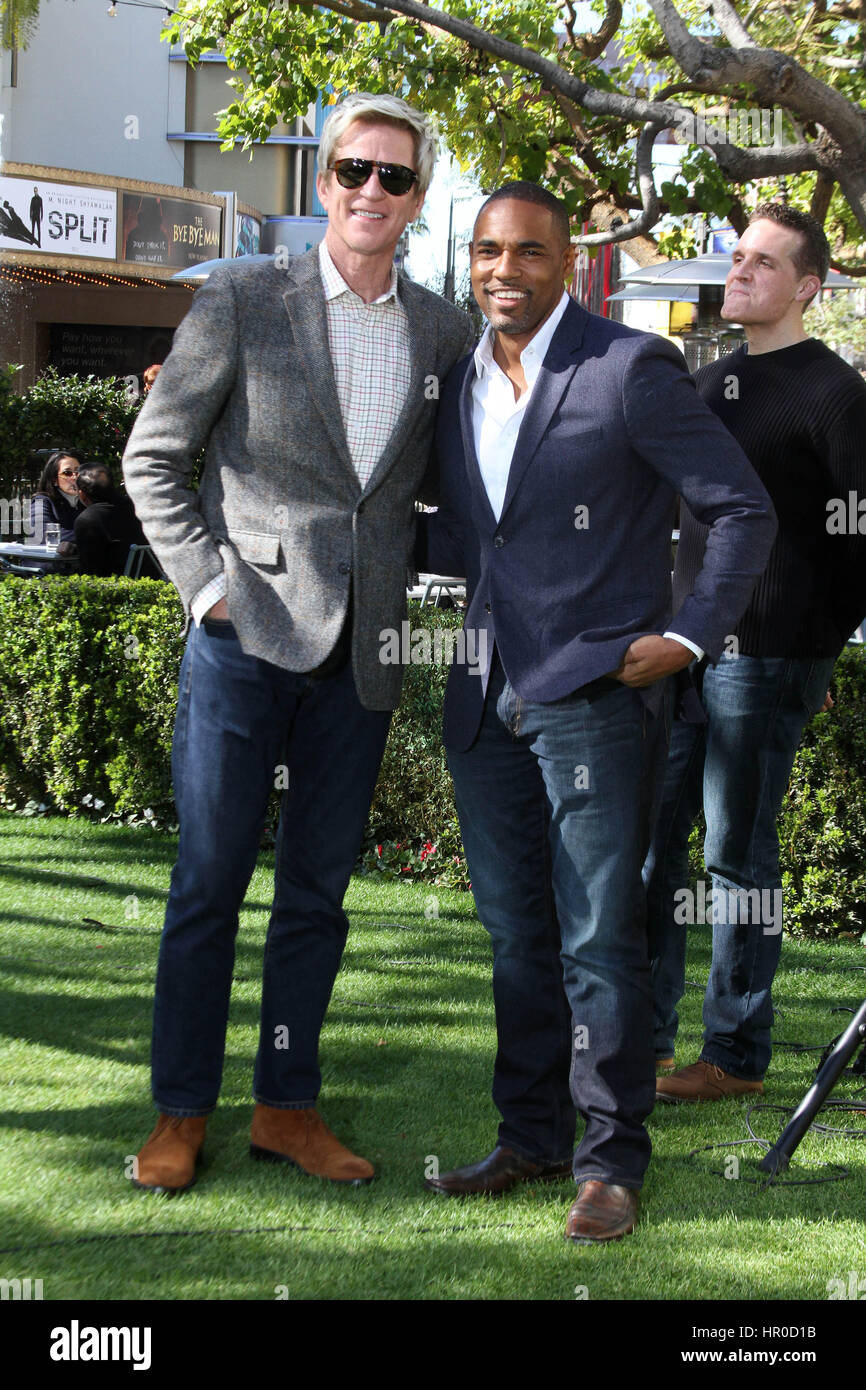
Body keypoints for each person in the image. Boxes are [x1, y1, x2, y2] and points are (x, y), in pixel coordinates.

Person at [122, 92, 473, 1195]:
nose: (373, 191)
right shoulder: (238, 297)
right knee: (207, 886)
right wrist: (207, 589)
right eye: (353, 172)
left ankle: (284, 1106)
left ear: (416, 200)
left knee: (316, 897)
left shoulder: (442, 329)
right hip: (242, 643)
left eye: (396, 178)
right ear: (322, 184)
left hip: (360, 656)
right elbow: (154, 457)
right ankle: (180, 1112)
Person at [416, 183, 776, 1242]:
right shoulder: (459, 380)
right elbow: (473, 540)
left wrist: (689, 633)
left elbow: (738, 506)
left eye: (527, 251)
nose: (502, 269)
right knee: (514, 936)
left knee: (597, 941)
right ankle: (526, 1136)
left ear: (567, 261)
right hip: (483, 698)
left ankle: (608, 1160)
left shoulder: (627, 368)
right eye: (484, 250)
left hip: (594, 701)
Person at [649, 203, 866, 1104]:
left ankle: (734, 1054)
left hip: (768, 658)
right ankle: (643, 1038)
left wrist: (812, 655)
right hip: (682, 653)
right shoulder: (712, 384)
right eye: (737, 258)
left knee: (736, 857)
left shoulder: (837, 394)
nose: (740, 272)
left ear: (807, 286)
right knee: (652, 849)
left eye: (763, 264)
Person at [73, 464, 150, 576]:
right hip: (153, 580)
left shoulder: (88, 520)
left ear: (82, 494)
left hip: (116, 587)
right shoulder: (138, 507)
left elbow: (91, 570)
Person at [30, 449, 84, 544]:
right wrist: (94, 535)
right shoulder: (41, 502)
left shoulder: (89, 501)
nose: (74, 477)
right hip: (46, 557)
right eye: (67, 473)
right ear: (54, 479)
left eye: (78, 471)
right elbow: (42, 535)